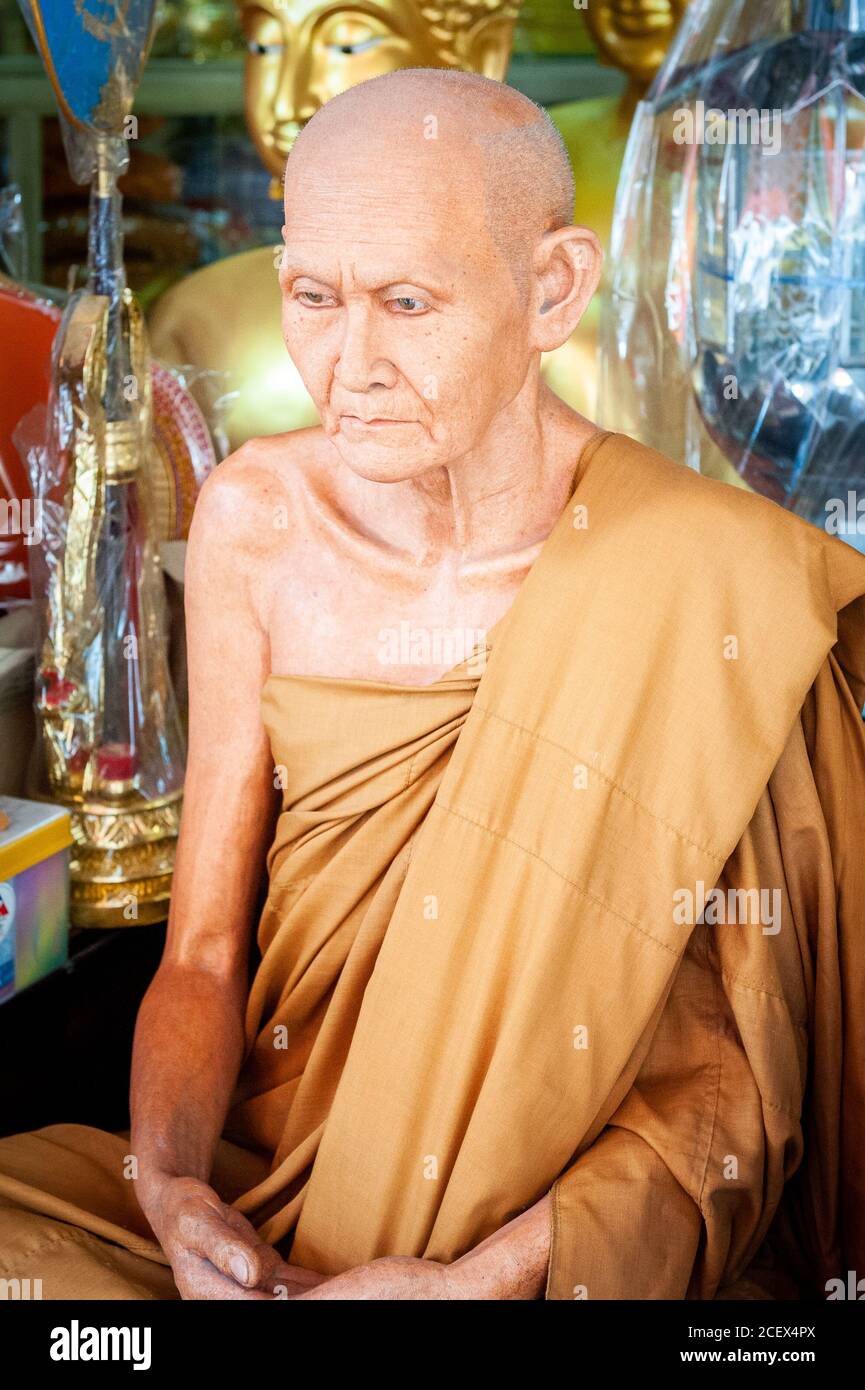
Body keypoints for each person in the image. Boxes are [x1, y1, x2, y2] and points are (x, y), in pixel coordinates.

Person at [1, 68, 864, 1301]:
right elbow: (199, 954)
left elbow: (729, 1084)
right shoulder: (259, 519)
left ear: (552, 287)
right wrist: (176, 1190)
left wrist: (477, 1285)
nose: (345, 366)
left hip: (548, 1244)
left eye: (407, 301)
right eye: (312, 296)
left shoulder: (707, 581)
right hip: (262, 1188)